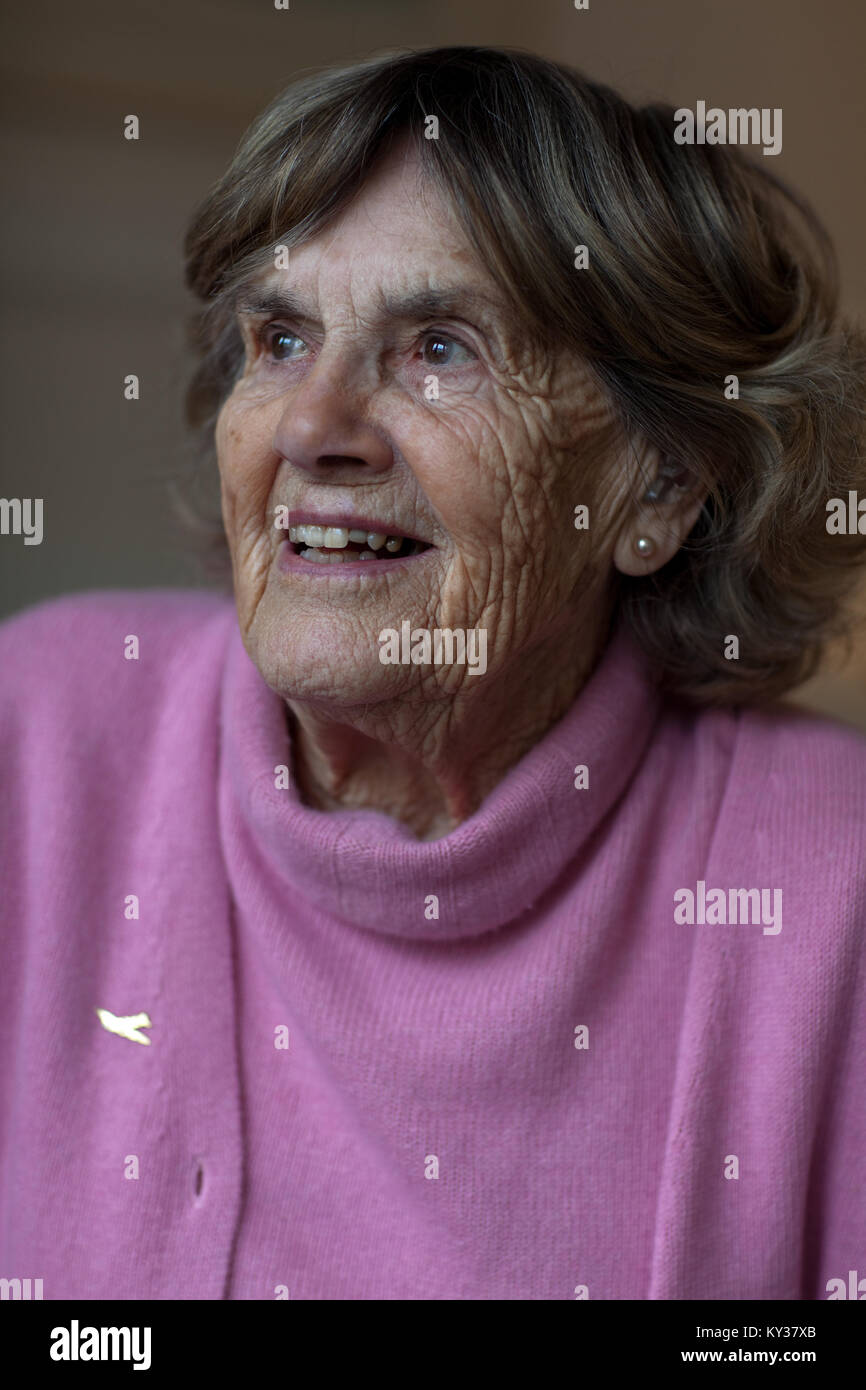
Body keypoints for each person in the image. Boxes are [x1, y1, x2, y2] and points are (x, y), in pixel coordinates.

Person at [1, 45, 864, 1301]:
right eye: (281, 336)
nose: (310, 428)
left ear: (659, 482)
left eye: (439, 348)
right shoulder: (35, 737)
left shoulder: (826, 887)